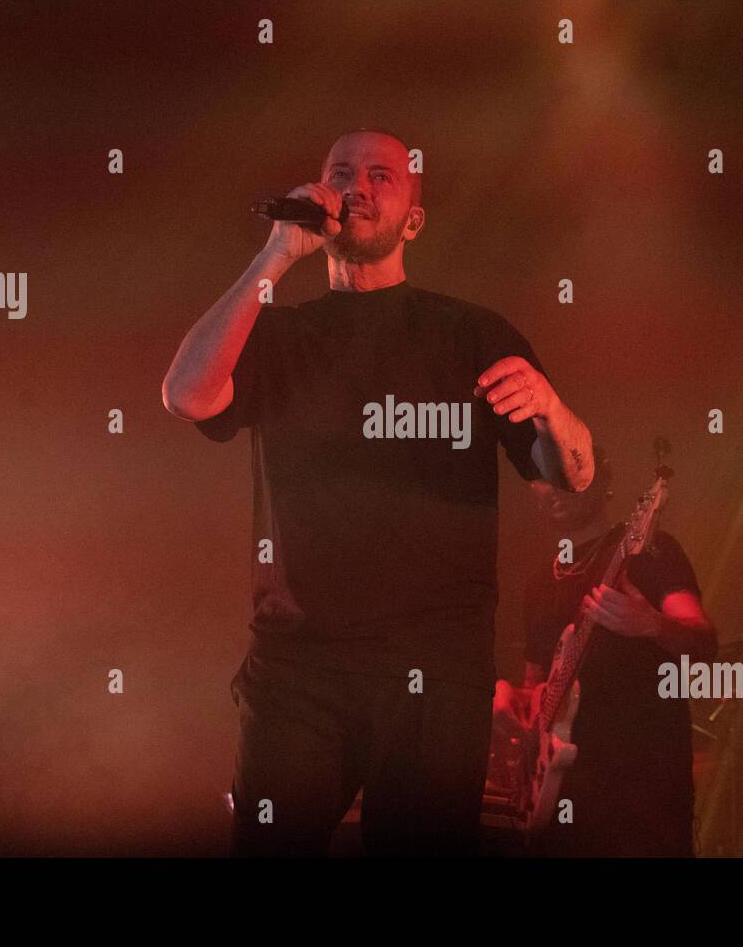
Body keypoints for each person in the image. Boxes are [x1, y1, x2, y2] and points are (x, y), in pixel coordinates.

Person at [162, 128, 594, 855]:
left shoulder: (470, 334)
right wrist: (275, 256)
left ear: (414, 220)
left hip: (435, 672)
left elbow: (573, 475)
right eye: (341, 172)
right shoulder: (278, 335)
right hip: (298, 672)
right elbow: (186, 395)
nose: (357, 185)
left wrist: (552, 407)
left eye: (381, 175)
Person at [494, 447, 716, 855]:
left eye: (566, 471)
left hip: (641, 794)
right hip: (564, 799)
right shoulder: (539, 584)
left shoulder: (652, 551)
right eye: (542, 477)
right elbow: (538, 690)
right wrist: (506, 697)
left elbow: (703, 646)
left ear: (604, 478)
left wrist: (651, 623)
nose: (554, 487)